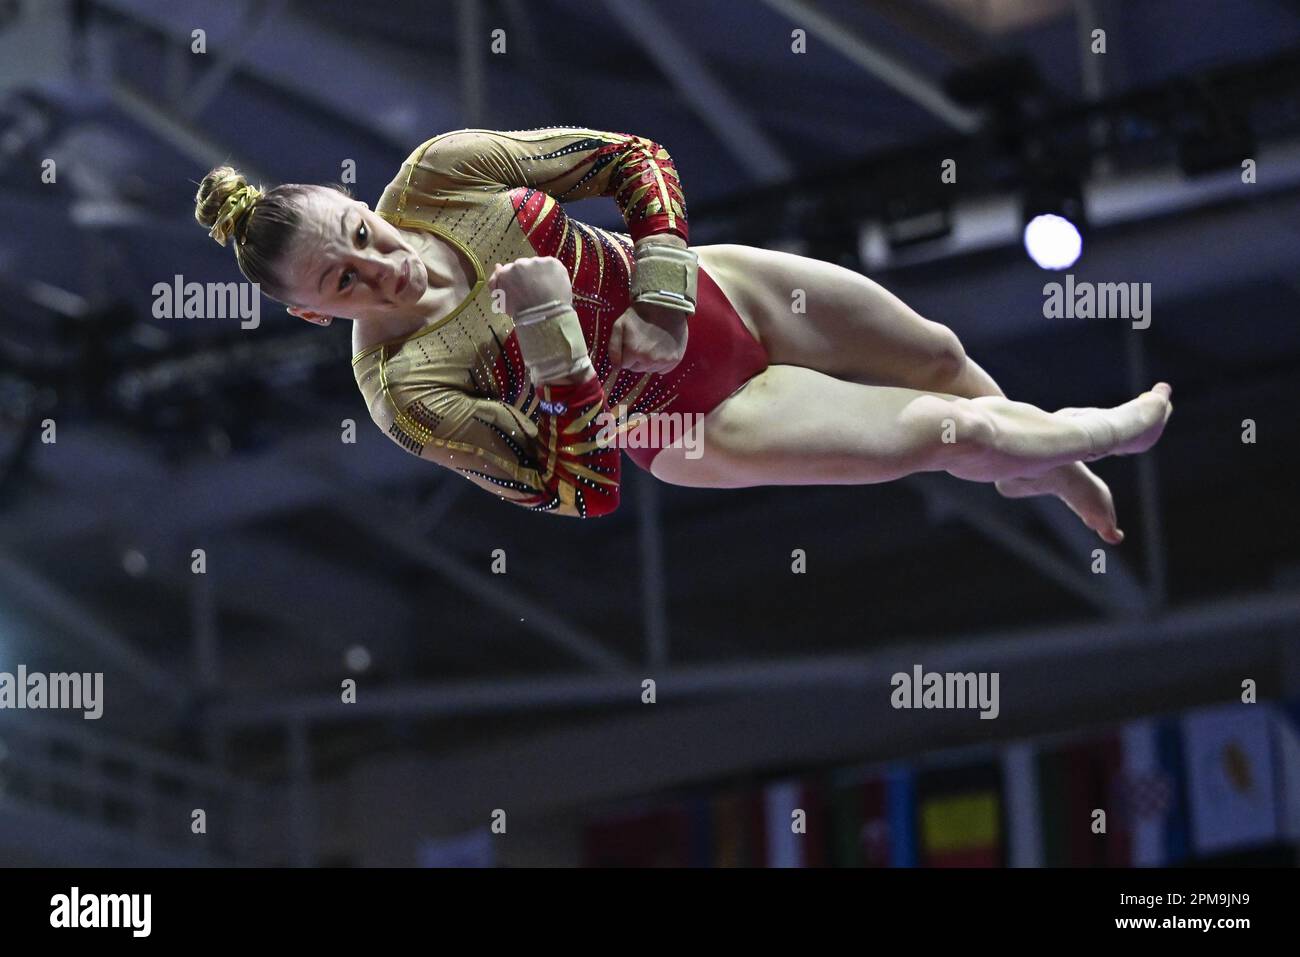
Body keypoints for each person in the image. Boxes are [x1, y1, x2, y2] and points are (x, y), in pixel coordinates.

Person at [194, 126, 1171, 541]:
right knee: (946, 431)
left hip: (717, 289)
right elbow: (583, 490)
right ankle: (1098, 434)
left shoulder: (444, 175)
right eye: (345, 281)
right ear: (314, 314)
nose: (380, 266)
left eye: (361, 233)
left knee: (942, 359)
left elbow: (634, 160)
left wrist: (660, 292)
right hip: (686, 422)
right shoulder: (408, 390)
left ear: (364, 202)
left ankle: (1043, 462)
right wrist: (553, 349)